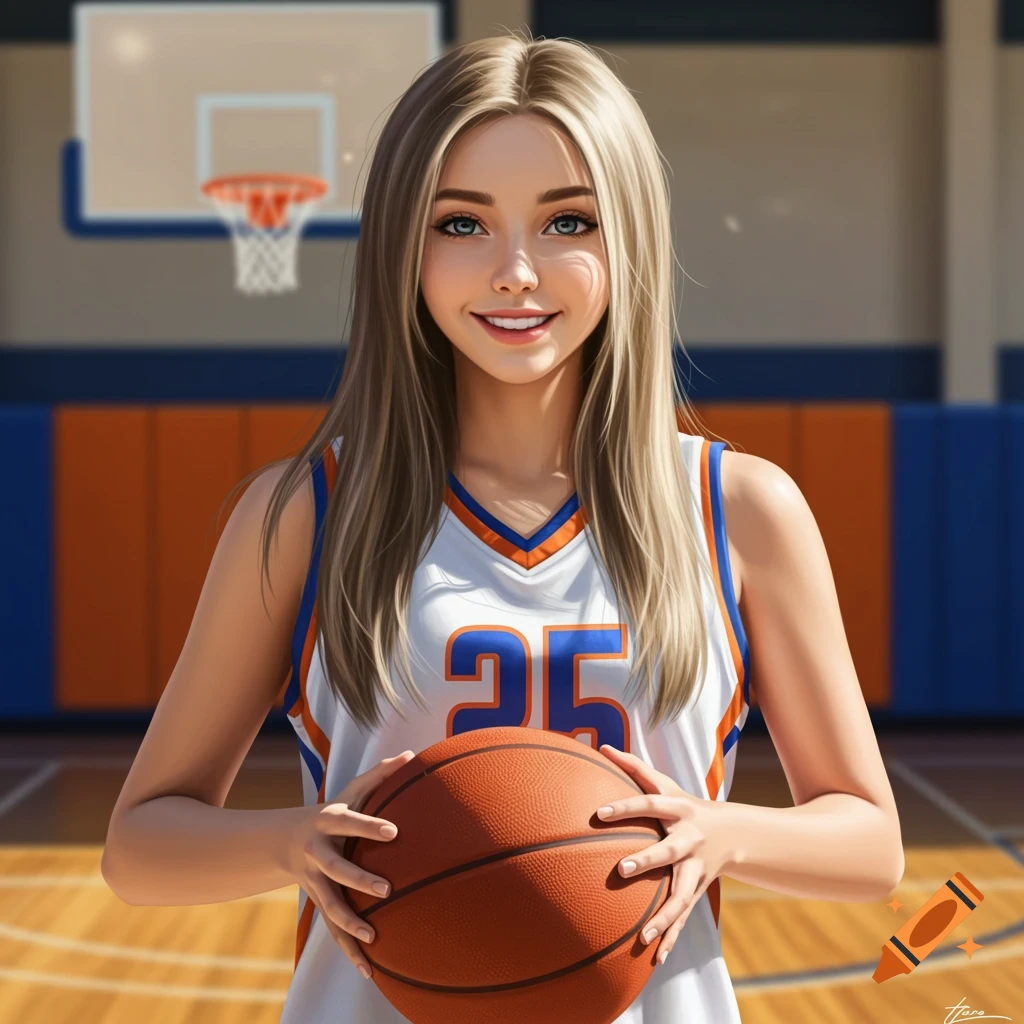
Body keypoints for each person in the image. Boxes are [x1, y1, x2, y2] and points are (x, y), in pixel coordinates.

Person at [100, 30, 904, 1024]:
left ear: (630, 241)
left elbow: (870, 843)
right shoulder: (308, 511)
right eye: (461, 224)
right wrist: (291, 840)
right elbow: (139, 845)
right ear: (402, 244)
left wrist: (720, 832)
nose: (516, 271)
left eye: (567, 221)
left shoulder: (737, 510)